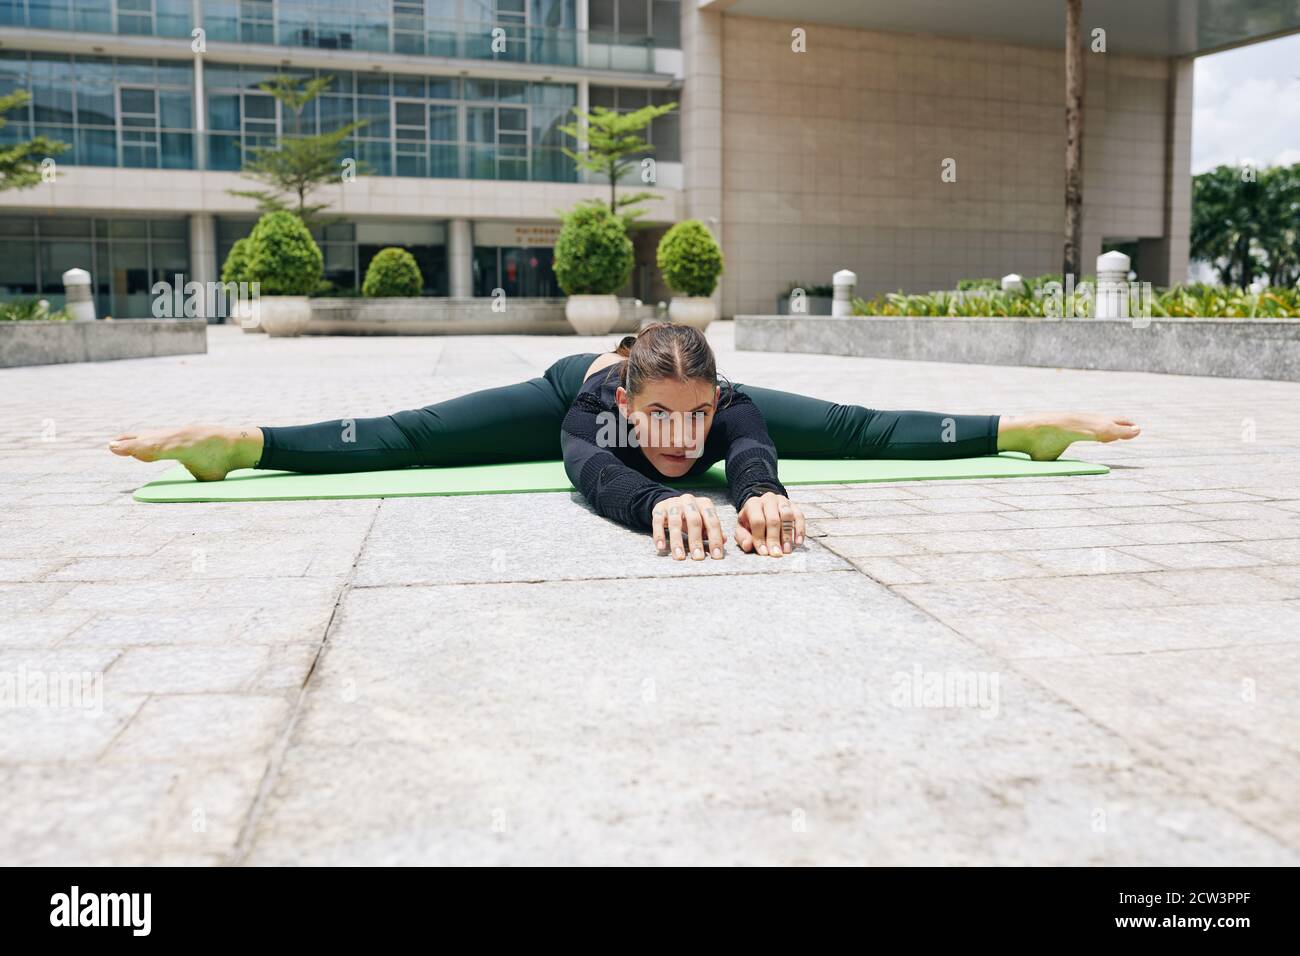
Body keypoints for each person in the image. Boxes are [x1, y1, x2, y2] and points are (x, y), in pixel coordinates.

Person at [109, 323, 1140, 561]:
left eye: (698, 413)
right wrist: (657, 503)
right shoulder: (596, 406)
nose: (682, 436)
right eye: (665, 420)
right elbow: (592, 474)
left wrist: (760, 490)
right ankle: (239, 440)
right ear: (632, 403)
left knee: (849, 424)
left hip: (681, 356)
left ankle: (1028, 424)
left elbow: (757, 442)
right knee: (407, 437)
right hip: (565, 374)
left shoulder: (720, 403)